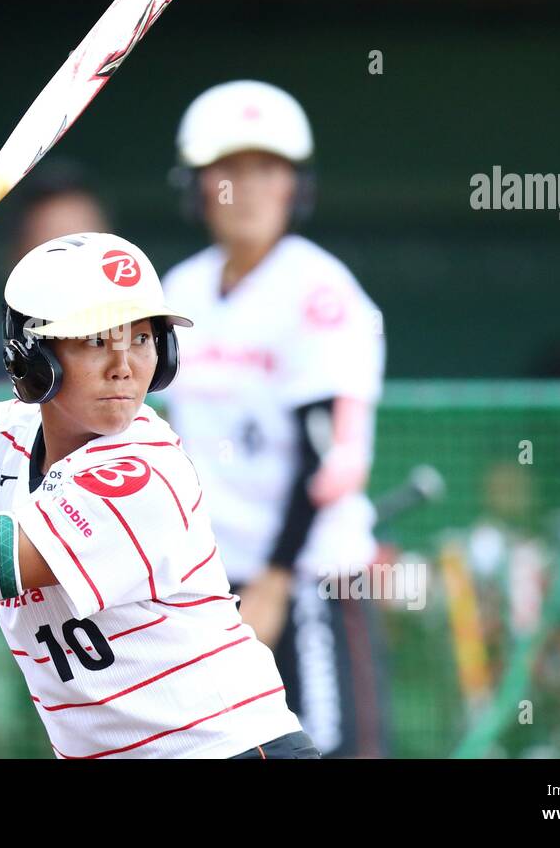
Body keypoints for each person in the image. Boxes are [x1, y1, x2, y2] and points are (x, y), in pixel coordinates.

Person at [0, 232, 318, 759]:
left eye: (140, 338)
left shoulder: (139, 474)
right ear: (33, 356)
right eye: (96, 341)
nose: (124, 365)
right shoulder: (4, 433)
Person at [160, 80, 389, 757]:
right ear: (197, 186)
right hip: (210, 583)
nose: (248, 188)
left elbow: (324, 453)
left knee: (329, 748)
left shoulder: (320, 292)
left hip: (308, 579)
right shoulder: (178, 291)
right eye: (228, 171)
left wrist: (277, 579)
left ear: (296, 185)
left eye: (268, 169)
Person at [0, 158, 110, 379]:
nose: (78, 263)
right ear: (16, 257)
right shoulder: (0, 350)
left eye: (90, 243)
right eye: (58, 249)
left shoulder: (145, 334)